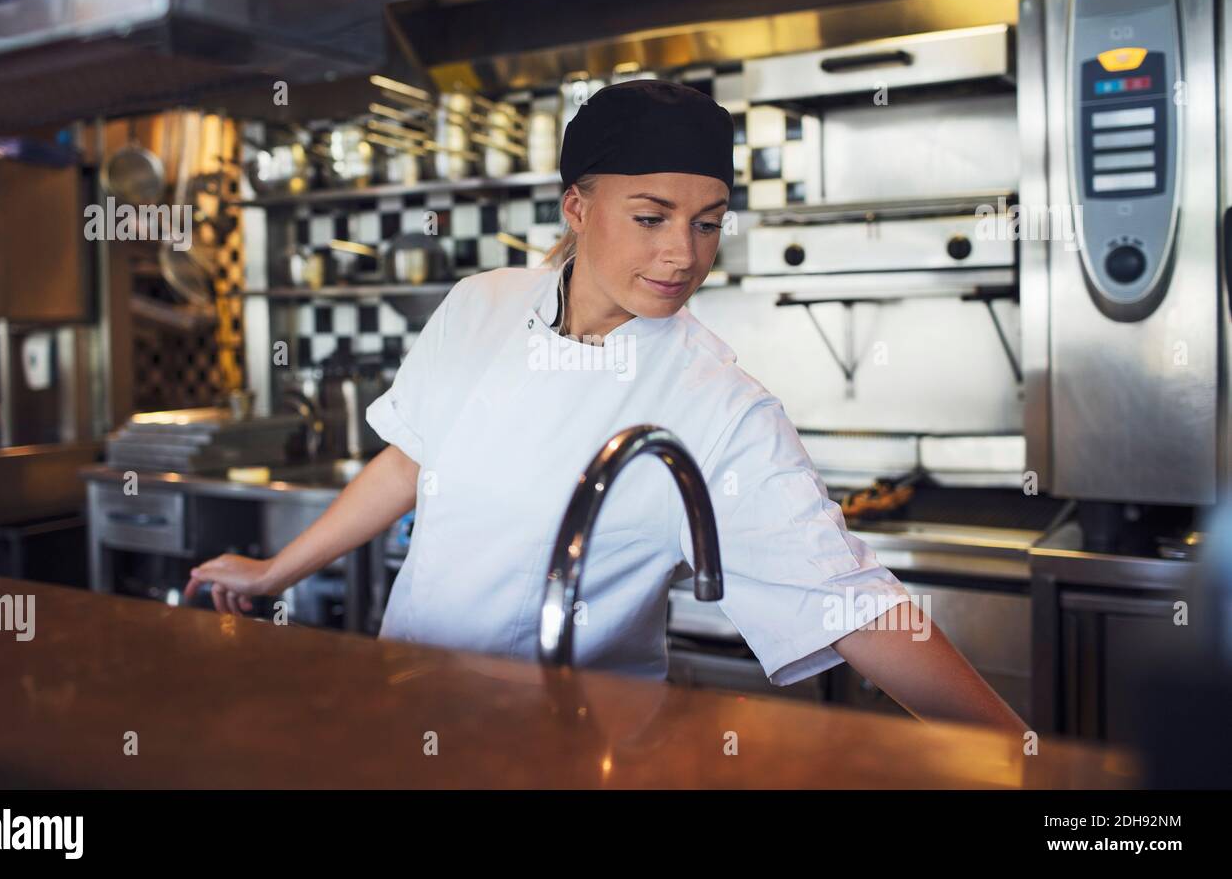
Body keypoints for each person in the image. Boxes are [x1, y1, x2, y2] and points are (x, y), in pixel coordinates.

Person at [186, 80, 1027, 734]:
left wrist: (1027, 762)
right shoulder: (482, 305)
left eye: (708, 223)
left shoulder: (717, 405)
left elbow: (854, 602)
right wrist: (272, 572)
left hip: (573, 747)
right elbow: (410, 459)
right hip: (407, 712)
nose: (683, 254)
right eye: (652, 217)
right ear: (578, 207)